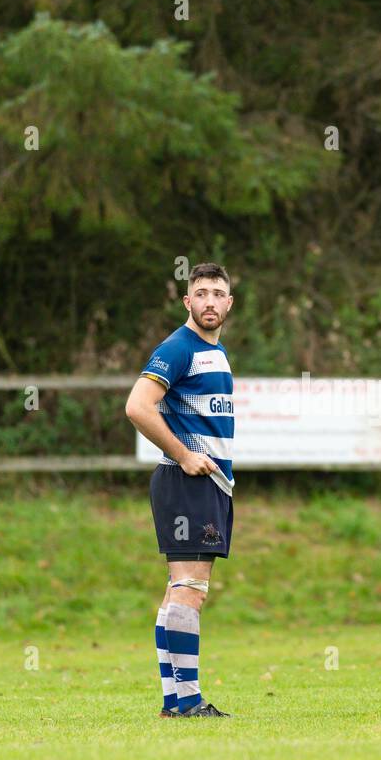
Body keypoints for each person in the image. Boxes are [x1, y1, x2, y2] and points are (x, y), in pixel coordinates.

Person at [124, 262, 236, 718]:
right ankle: (188, 701)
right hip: (186, 479)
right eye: (201, 293)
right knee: (189, 588)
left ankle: (175, 701)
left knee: (179, 590)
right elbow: (137, 407)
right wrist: (185, 455)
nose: (210, 301)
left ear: (229, 303)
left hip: (209, 484)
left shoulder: (216, 351)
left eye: (218, 294)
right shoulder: (178, 348)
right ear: (187, 302)